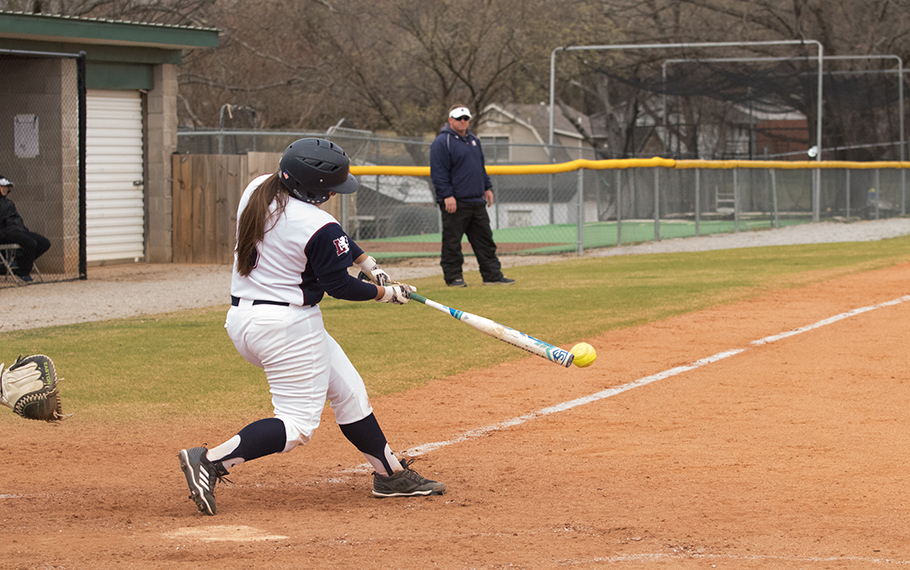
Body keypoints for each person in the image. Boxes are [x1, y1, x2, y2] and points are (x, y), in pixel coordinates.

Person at [177, 138, 445, 516]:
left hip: (248, 320)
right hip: (287, 329)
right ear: (311, 189)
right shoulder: (319, 224)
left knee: (349, 391)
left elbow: (334, 241)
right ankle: (210, 461)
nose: (332, 195)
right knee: (297, 425)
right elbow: (339, 286)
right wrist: (386, 293)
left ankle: (390, 476)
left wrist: (368, 262)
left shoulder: (259, 188)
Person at [430, 104, 514, 288]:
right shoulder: (442, 142)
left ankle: (492, 276)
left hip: (476, 200)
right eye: (459, 118)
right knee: (452, 243)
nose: (463, 121)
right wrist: (447, 195)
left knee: (485, 241)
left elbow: (480, 167)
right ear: (450, 120)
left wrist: (487, 187)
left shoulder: (474, 140)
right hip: (455, 202)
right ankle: (454, 278)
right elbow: (438, 172)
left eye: (466, 118)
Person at [0, 175, 50, 283]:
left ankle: (19, 263)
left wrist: (21, 229)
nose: (4, 189)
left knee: (44, 243)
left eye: (6, 186)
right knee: (30, 243)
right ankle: (23, 271)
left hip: (18, 231)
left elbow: (16, 219)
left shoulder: (9, 203)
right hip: (4, 234)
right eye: (2, 186)